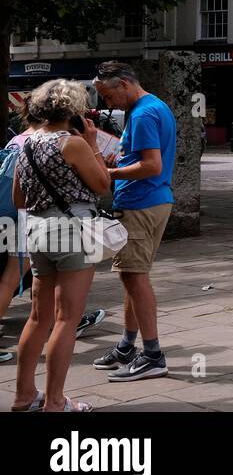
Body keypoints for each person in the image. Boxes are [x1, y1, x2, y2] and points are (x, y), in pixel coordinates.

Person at [10, 79, 112, 411]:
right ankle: (55, 401)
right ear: (74, 111)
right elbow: (102, 183)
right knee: (67, 318)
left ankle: (24, 394)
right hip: (72, 229)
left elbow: (18, 199)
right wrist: (94, 142)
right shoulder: (73, 144)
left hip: (38, 230)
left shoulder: (25, 144)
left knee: (38, 317)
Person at [90, 61, 175, 383]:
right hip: (152, 201)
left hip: (141, 203)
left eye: (108, 96)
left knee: (135, 278)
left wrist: (109, 173)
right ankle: (127, 346)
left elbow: (151, 165)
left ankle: (153, 355)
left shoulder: (141, 114)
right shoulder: (156, 106)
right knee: (131, 277)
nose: (108, 104)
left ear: (125, 83)